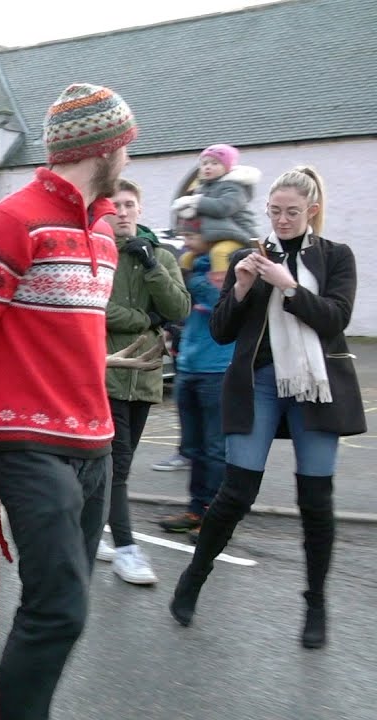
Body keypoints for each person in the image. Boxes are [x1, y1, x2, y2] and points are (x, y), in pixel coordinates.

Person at [0, 83, 137, 719]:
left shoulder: (104, 235)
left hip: (93, 444)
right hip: (27, 446)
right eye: (125, 147)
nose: (130, 160)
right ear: (100, 148)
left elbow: (75, 337)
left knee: (63, 607)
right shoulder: (7, 225)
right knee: (59, 608)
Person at [170, 167, 363, 650]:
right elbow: (221, 331)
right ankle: (195, 575)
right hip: (258, 382)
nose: (281, 219)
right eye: (275, 211)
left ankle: (315, 602)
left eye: (292, 212)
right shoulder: (248, 256)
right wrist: (238, 287)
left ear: (311, 211)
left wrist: (290, 286)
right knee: (236, 493)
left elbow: (336, 319)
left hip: (315, 386)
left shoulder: (335, 257)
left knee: (316, 501)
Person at [96, 179, 190, 585]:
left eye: (129, 204)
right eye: (114, 204)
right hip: (107, 372)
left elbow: (178, 308)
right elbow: (97, 308)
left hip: (147, 377)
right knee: (116, 466)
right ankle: (127, 549)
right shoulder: (97, 253)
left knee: (117, 467)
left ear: (139, 209)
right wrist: (148, 321)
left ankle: (91, 528)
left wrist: (151, 267)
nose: (122, 211)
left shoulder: (162, 257)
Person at [157, 230, 236, 539]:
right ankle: (195, 509)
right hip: (189, 365)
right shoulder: (193, 265)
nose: (187, 235)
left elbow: (221, 302)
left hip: (218, 369)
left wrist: (190, 276)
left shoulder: (227, 263)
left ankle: (215, 519)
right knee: (195, 448)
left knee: (216, 450)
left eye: (194, 228)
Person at [171, 144, 262, 244]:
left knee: (219, 252)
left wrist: (196, 202)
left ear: (227, 167)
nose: (208, 167)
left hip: (239, 235)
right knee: (188, 258)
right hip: (215, 236)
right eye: (204, 164)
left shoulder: (234, 186)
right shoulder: (203, 188)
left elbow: (223, 207)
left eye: (214, 163)